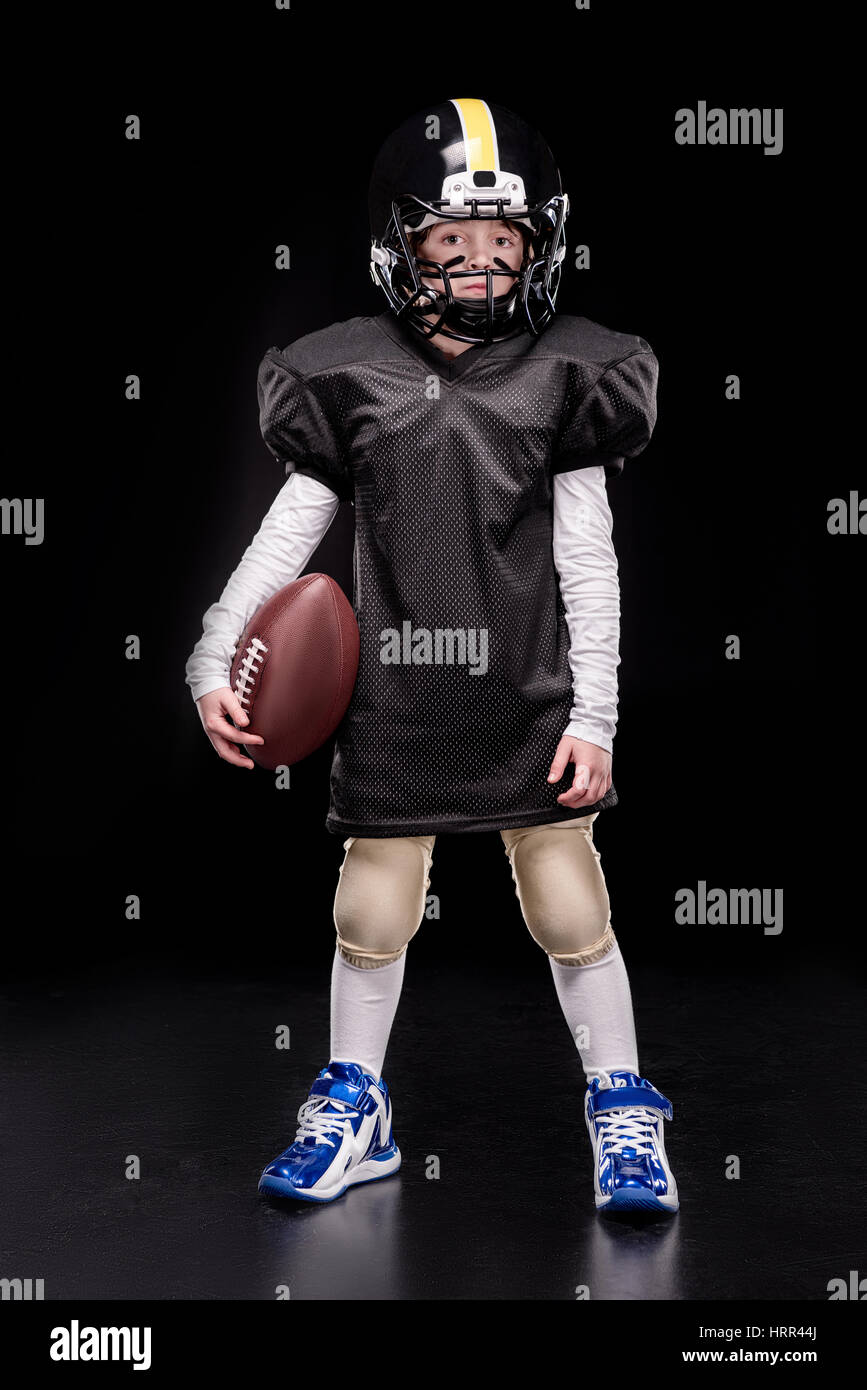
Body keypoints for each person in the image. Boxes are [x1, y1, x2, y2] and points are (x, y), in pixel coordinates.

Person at [185, 98, 678, 1215]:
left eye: (501, 243)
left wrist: (593, 715)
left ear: (539, 244)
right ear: (401, 247)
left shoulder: (571, 373)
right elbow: (285, 542)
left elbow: (588, 564)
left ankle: (621, 1101)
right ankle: (358, 1104)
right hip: (396, 704)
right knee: (369, 909)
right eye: (448, 243)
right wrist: (215, 656)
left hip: (528, 697)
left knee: (566, 903)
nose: (476, 267)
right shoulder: (347, 375)